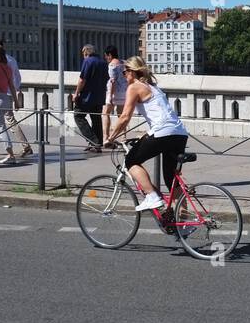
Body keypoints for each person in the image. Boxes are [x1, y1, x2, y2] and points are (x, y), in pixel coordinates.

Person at [104, 57, 188, 230]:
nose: (123, 75)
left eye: (125, 71)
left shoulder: (134, 87)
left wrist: (110, 137)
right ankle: (183, 223)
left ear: (133, 72)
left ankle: (152, 197)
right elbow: (160, 114)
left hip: (162, 133)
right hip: (179, 133)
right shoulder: (153, 87)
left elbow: (125, 116)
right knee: (171, 179)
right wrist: (144, 136)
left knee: (131, 161)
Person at [0, 37, 33, 159]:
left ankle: (25, 147)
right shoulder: (11, 60)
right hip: (8, 94)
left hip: (1, 95)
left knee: (5, 122)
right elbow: (17, 78)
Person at [72, 44, 107, 152]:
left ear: (86, 52)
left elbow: (82, 79)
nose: (83, 56)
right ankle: (98, 143)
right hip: (100, 96)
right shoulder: (103, 62)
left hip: (87, 96)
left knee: (78, 116)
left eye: (83, 54)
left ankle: (93, 140)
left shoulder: (88, 61)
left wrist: (77, 93)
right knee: (96, 119)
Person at [102, 45, 128, 144]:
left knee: (105, 113)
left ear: (109, 55)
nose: (106, 58)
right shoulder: (123, 63)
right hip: (124, 92)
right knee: (121, 115)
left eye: (106, 56)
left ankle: (106, 136)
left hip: (114, 92)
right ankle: (124, 137)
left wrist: (110, 96)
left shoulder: (112, 65)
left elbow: (112, 81)